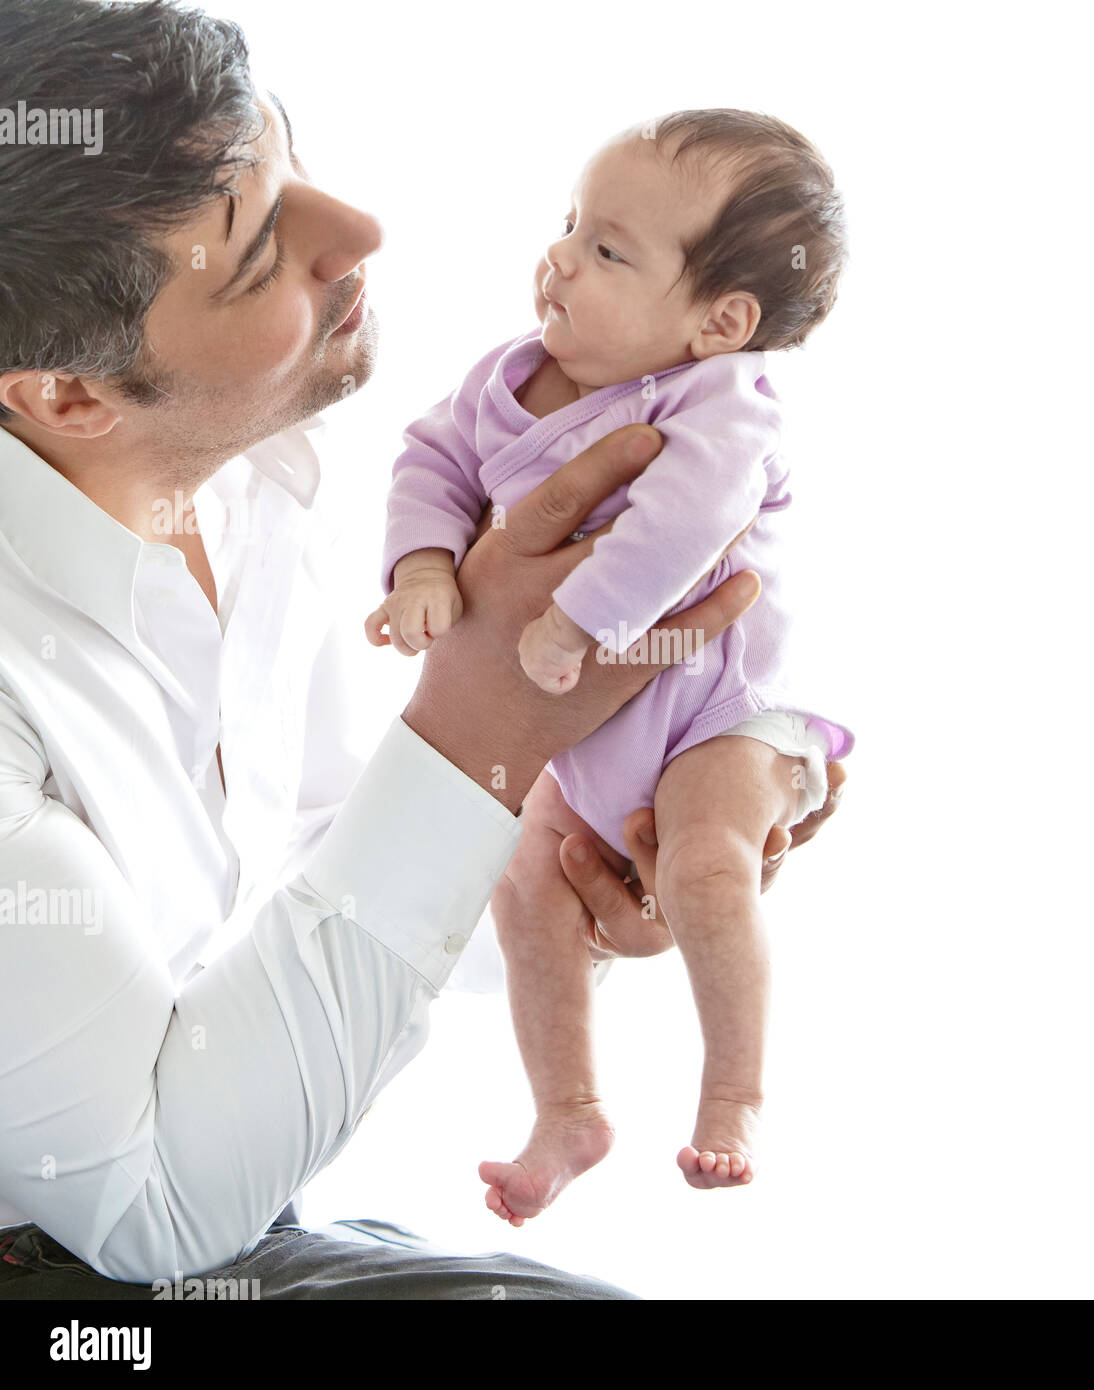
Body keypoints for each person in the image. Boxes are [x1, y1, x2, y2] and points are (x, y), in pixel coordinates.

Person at [0, 0, 843, 1299]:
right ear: (68, 397)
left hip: (249, 1202)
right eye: (258, 244)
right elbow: (149, 1208)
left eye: (286, 152)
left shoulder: (240, 482)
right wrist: (477, 735)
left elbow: (331, 888)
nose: (361, 231)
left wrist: (586, 870)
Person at [367, 111, 853, 1224]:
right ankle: (566, 1113)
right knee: (525, 881)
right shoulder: (513, 376)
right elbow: (430, 456)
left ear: (717, 321)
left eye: (607, 251)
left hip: (719, 713)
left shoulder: (721, 404)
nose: (561, 259)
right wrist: (424, 566)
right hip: (571, 732)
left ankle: (734, 1095)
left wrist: (581, 621)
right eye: (570, 227)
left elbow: (691, 517)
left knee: (707, 866)